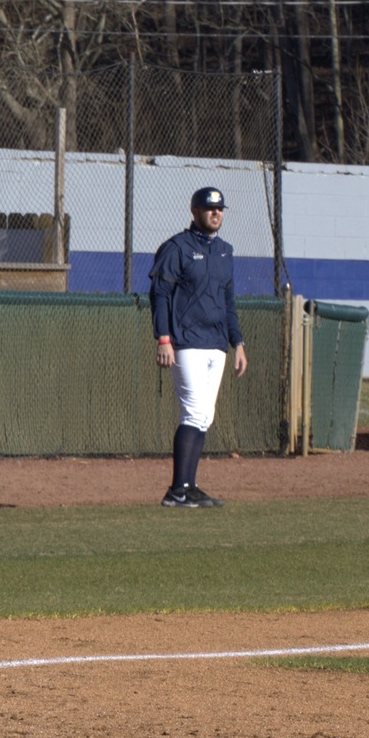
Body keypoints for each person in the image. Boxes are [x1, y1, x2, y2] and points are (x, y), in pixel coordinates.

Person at [152, 186, 246, 508]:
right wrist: (163, 338)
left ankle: (188, 487)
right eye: (209, 208)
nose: (215, 213)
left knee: (204, 416)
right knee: (193, 409)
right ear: (194, 212)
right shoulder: (177, 248)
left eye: (219, 209)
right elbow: (160, 294)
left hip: (217, 343)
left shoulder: (225, 251)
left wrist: (238, 343)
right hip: (186, 341)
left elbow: (228, 301)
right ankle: (177, 490)